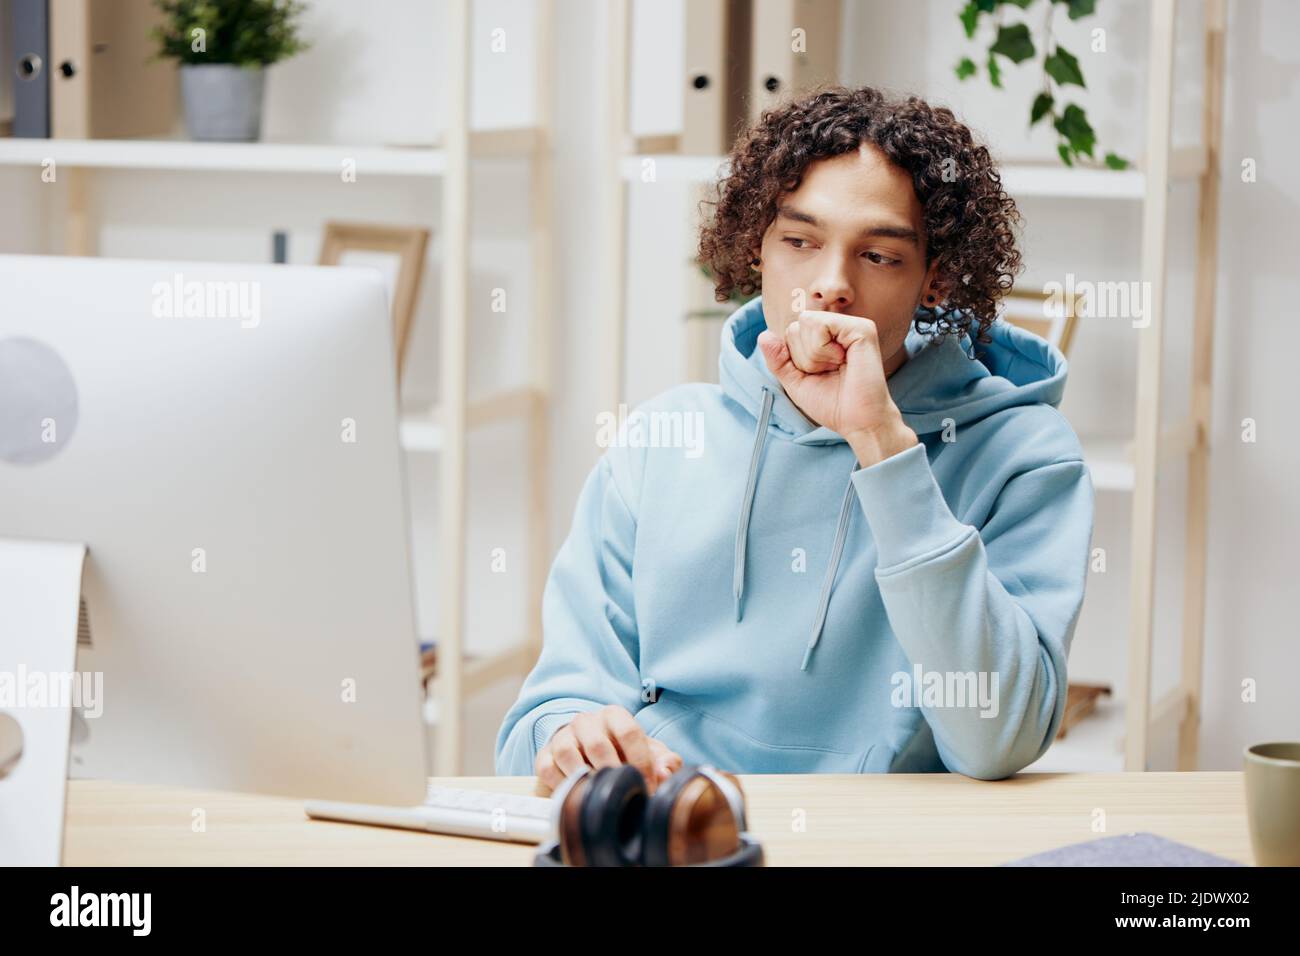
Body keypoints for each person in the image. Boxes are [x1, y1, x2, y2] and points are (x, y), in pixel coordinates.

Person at [495, 85, 1094, 795]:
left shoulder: (1024, 454)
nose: (830, 286)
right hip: (677, 830)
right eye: (801, 241)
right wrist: (572, 736)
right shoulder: (662, 443)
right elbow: (545, 718)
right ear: (758, 247)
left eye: (878, 256)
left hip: (883, 846)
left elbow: (999, 738)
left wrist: (883, 446)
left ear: (935, 279)